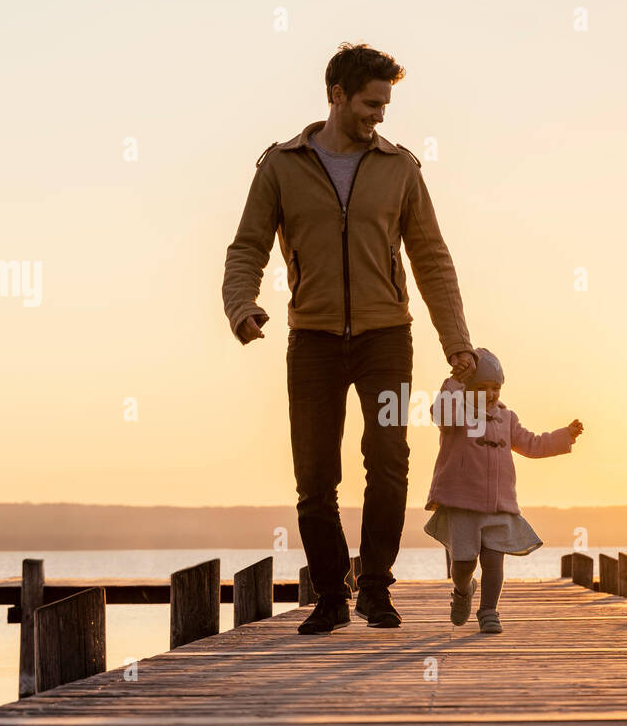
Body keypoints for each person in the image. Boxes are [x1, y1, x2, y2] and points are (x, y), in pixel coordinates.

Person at [222, 43, 477, 634]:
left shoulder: (400, 168)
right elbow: (247, 248)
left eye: (385, 104)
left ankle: (377, 590)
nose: (378, 115)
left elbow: (432, 259)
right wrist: (242, 308)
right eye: (369, 103)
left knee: (388, 459)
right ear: (336, 95)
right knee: (315, 473)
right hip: (311, 341)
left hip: (387, 336)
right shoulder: (281, 167)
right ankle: (331, 597)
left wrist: (456, 341)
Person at [423, 348, 584, 633]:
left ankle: (488, 611)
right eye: (481, 388)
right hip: (462, 505)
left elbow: (532, 444)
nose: (490, 394)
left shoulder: (507, 419)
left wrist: (564, 436)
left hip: (499, 506)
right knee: (462, 564)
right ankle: (462, 590)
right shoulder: (456, 414)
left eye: (495, 387)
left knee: (494, 561)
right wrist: (455, 384)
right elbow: (440, 412)